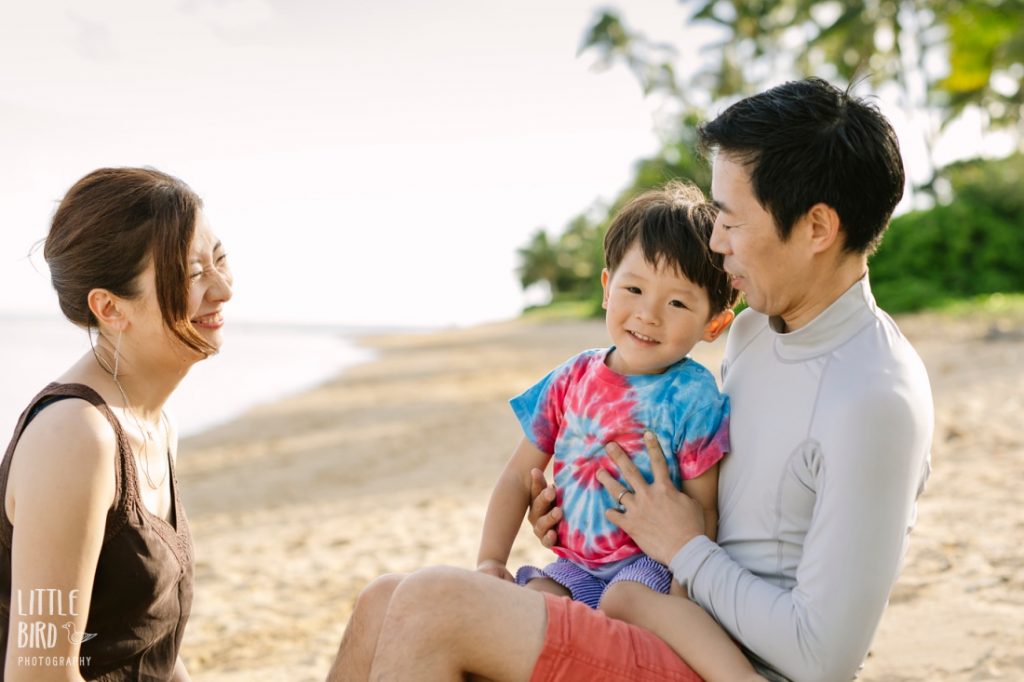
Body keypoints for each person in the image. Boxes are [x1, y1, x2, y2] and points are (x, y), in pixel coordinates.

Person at [328, 77, 933, 682]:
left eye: (731, 221)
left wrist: (684, 547)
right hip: (659, 610)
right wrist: (588, 510)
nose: (717, 244)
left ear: (817, 229)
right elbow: (700, 473)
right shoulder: (755, 333)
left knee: (437, 600)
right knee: (385, 600)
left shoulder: (874, 400)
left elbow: (823, 659)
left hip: (732, 663)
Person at [475, 181, 759, 679]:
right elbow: (519, 476)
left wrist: (683, 594)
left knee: (624, 598)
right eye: (634, 289)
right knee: (532, 596)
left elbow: (703, 507)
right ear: (607, 287)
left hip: (646, 567)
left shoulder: (692, 395)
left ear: (714, 324)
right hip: (574, 565)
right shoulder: (571, 378)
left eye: (678, 304)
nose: (648, 314)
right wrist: (489, 561)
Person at [0, 167, 233, 681]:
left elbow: (145, 646)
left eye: (219, 261)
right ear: (110, 308)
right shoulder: (74, 437)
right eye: (192, 274)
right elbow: (39, 673)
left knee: (388, 601)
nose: (221, 290)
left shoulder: (152, 422)